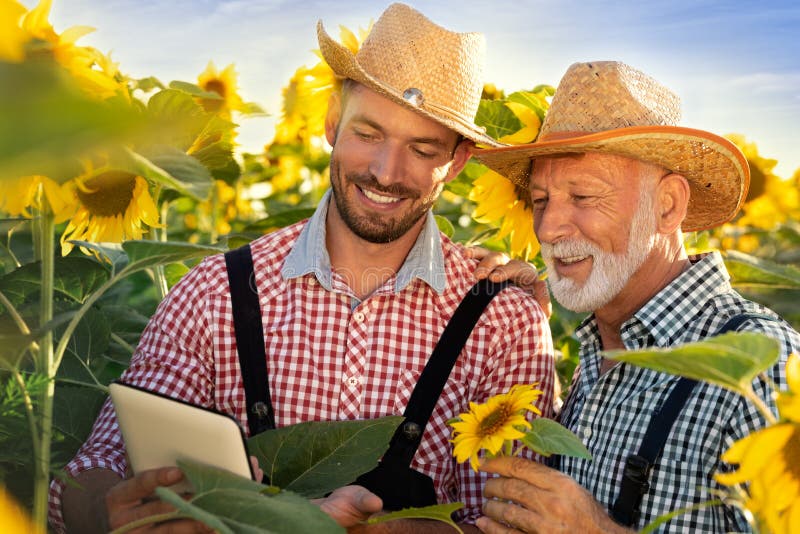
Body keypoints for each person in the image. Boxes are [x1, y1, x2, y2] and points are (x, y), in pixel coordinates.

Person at [48, 4, 555, 533]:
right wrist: (112, 512)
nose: (385, 172)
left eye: (421, 148)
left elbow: (514, 525)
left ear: (455, 162)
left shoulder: (504, 326)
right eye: (367, 133)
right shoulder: (215, 292)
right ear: (333, 122)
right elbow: (95, 468)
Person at [470, 61, 800, 533]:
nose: (547, 227)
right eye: (540, 201)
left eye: (583, 197)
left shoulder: (764, 365)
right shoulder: (597, 353)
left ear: (667, 205)